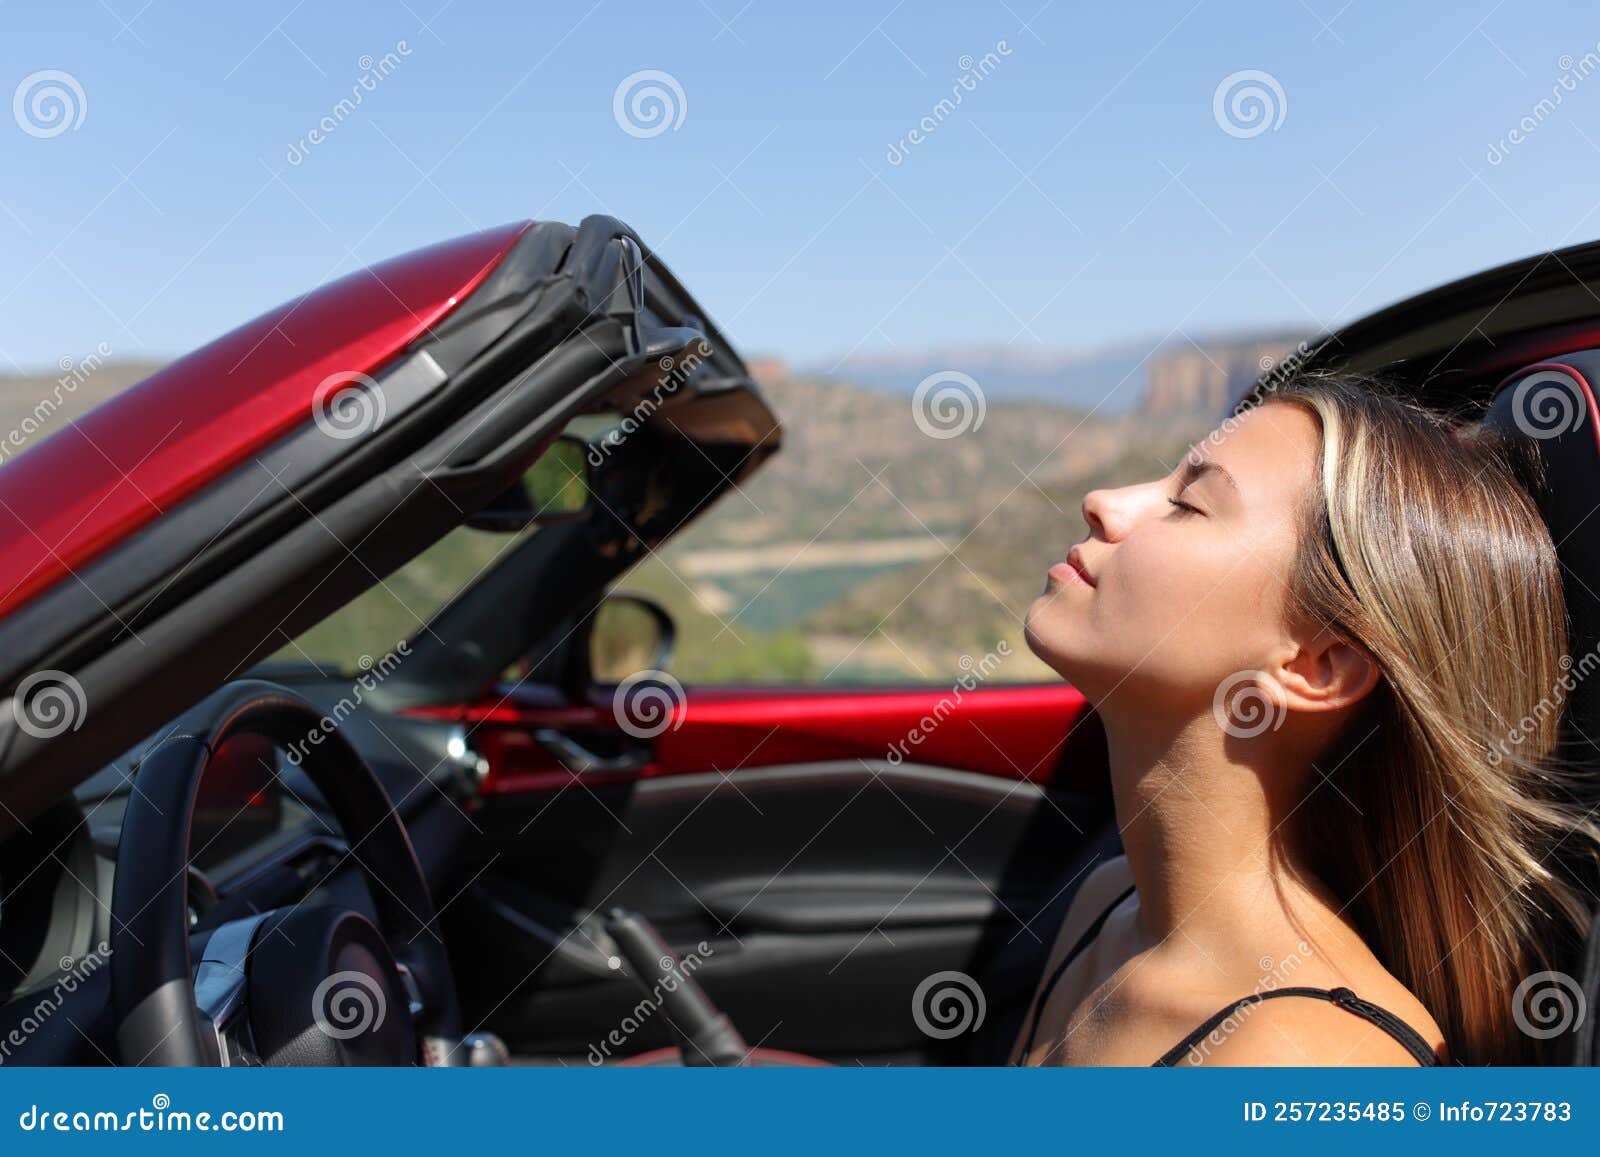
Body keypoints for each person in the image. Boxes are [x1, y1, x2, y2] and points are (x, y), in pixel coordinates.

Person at [1013, 373, 1598, 1066]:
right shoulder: (1108, 906)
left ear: (1316, 665)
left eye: (1188, 503)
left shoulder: (1311, 1063)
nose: (1103, 503)